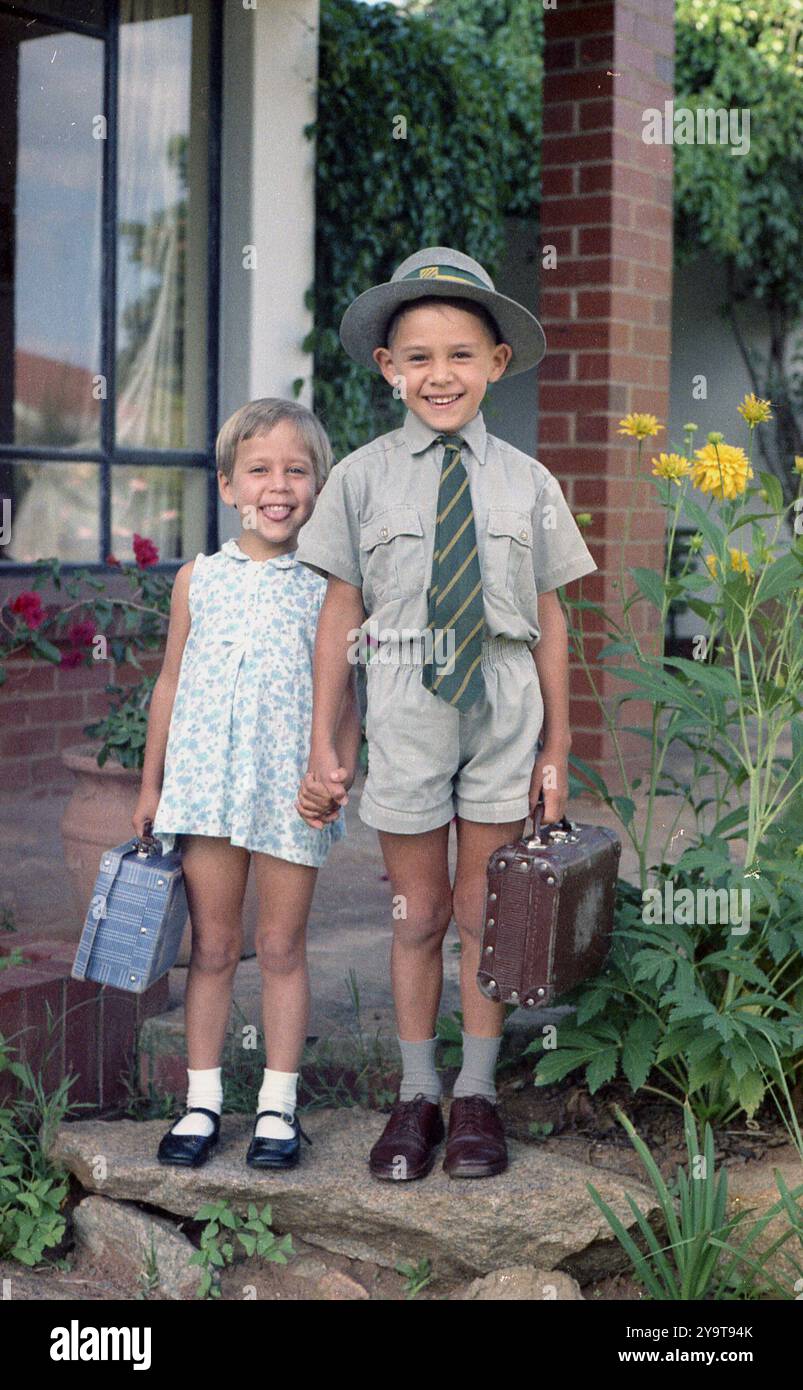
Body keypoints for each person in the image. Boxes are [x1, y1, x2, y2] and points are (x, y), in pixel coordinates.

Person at [294, 247, 597, 1181]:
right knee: (416, 913)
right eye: (418, 356)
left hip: (503, 706)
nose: (440, 374)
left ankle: (476, 1097)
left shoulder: (529, 482)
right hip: (407, 703)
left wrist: (559, 738)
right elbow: (342, 612)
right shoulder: (359, 478)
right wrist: (323, 740)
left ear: (496, 363)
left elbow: (549, 614)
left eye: (460, 354)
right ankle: (414, 1095)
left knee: (483, 914)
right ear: (388, 368)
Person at [133, 398, 361, 1171]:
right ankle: (201, 1105)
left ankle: (276, 1108)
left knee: (281, 944)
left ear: (318, 487)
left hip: (290, 793)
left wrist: (334, 771)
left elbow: (348, 699)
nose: (278, 484)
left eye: (296, 471)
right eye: (259, 469)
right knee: (215, 947)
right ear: (228, 486)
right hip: (203, 788)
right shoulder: (197, 578)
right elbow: (168, 682)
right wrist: (150, 782)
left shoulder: (331, 585)